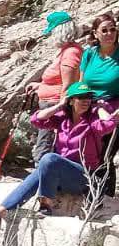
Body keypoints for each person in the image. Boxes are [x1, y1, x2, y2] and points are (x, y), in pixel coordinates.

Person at [0, 83, 116, 229]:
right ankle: (0, 212)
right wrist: (59, 106)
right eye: (81, 97)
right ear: (71, 100)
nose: (86, 101)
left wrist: (99, 107)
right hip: (61, 175)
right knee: (39, 172)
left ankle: (46, 203)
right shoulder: (63, 118)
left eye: (89, 97)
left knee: (49, 159)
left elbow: (109, 124)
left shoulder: (91, 120)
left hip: (84, 177)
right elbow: (36, 120)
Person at [27, 10, 86, 161]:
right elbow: (58, 80)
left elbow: (68, 85)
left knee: (44, 148)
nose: (50, 36)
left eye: (52, 31)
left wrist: (60, 111)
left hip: (53, 107)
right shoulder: (67, 50)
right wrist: (40, 85)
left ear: (59, 31)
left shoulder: (71, 53)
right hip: (51, 104)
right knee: (45, 145)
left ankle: (42, 179)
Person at [78, 12, 119, 101]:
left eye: (112, 29)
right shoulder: (89, 53)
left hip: (112, 106)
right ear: (95, 33)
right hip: (89, 104)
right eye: (104, 30)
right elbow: (81, 83)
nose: (109, 33)